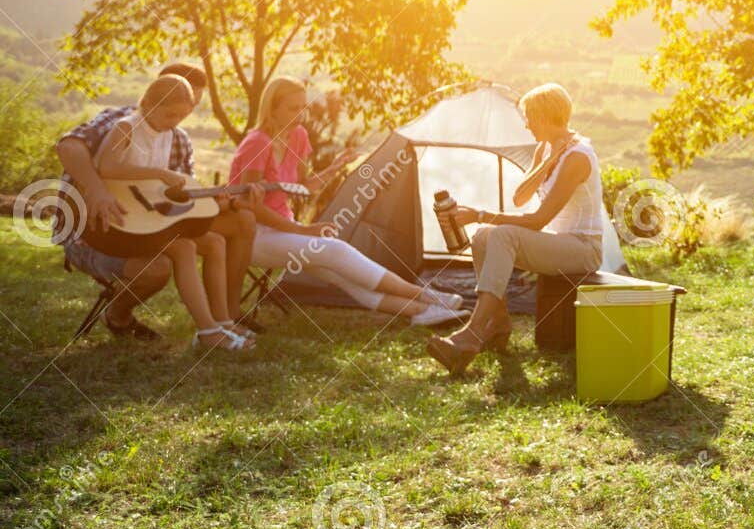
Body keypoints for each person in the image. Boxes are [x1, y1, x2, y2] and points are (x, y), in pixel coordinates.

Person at [230, 76, 465, 328]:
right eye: (292, 108)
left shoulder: (297, 135)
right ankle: (427, 296)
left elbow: (302, 186)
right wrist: (303, 230)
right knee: (335, 250)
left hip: (283, 228)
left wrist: (334, 167)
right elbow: (250, 204)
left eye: (303, 107)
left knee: (338, 272)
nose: (300, 115)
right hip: (251, 234)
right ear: (272, 107)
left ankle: (420, 311)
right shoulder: (257, 143)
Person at [54, 59, 257, 340]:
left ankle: (220, 322)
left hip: (144, 222)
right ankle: (200, 329)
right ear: (152, 97)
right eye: (175, 107)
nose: (179, 118)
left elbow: (173, 200)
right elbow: (70, 146)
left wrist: (223, 200)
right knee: (167, 260)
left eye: (191, 105)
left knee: (212, 241)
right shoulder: (121, 123)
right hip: (97, 226)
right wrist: (98, 190)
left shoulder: (173, 136)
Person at [425, 83, 607, 375]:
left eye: (529, 118)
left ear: (545, 117)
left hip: (583, 249)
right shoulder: (545, 149)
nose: (526, 125)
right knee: (483, 235)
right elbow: (519, 197)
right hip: (557, 243)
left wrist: (481, 213)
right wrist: (548, 160)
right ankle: (498, 324)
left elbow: (537, 220)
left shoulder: (577, 157)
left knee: (501, 232)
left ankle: (471, 335)